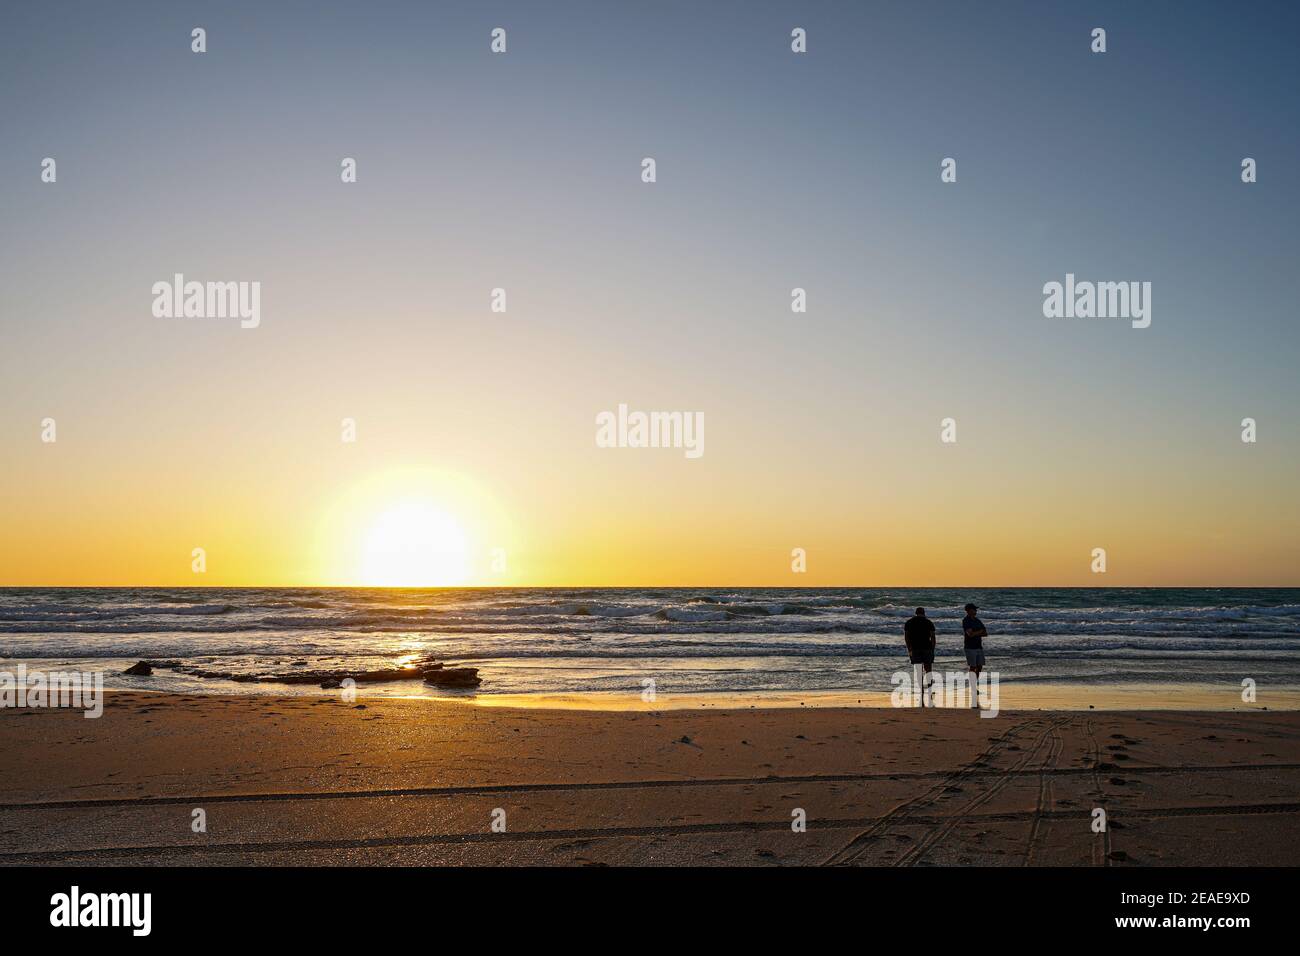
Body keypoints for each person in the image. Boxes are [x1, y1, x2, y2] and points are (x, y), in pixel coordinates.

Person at [903, 607, 936, 706]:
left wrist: (909, 649)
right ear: (924, 613)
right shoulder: (929, 622)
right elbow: (933, 637)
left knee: (918, 670)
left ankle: (921, 690)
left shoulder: (909, 622)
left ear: (916, 613)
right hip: (927, 648)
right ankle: (929, 688)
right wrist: (933, 649)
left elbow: (907, 637)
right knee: (928, 668)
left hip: (915, 648)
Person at [961, 603, 988, 708]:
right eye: (974, 609)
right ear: (968, 610)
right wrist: (979, 632)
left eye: (975, 610)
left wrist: (977, 632)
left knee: (980, 666)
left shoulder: (977, 620)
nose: (975, 611)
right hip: (970, 646)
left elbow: (985, 633)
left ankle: (974, 684)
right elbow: (970, 634)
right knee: (973, 666)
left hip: (978, 646)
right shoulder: (966, 621)